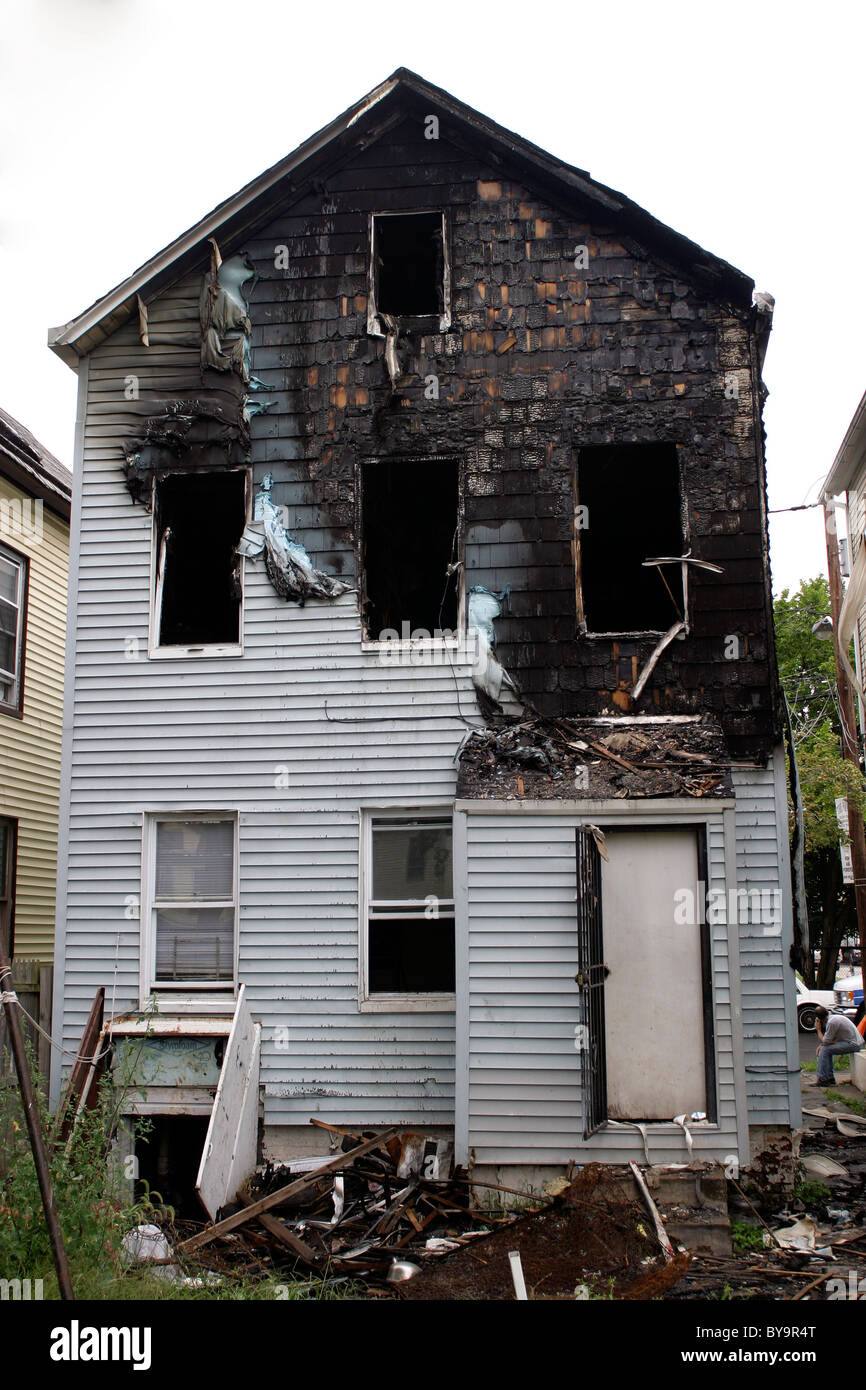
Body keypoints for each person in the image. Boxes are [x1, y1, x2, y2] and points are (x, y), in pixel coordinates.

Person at [815, 1006, 864, 1085]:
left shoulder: (831, 1022)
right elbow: (829, 1040)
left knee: (825, 1050)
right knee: (825, 1049)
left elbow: (825, 1041)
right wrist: (822, 1045)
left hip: (853, 1044)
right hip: (853, 1042)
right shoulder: (833, 1018)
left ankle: (823, 1079)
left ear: (819, 1019)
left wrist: (818, 1029)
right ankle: (829, 1078)